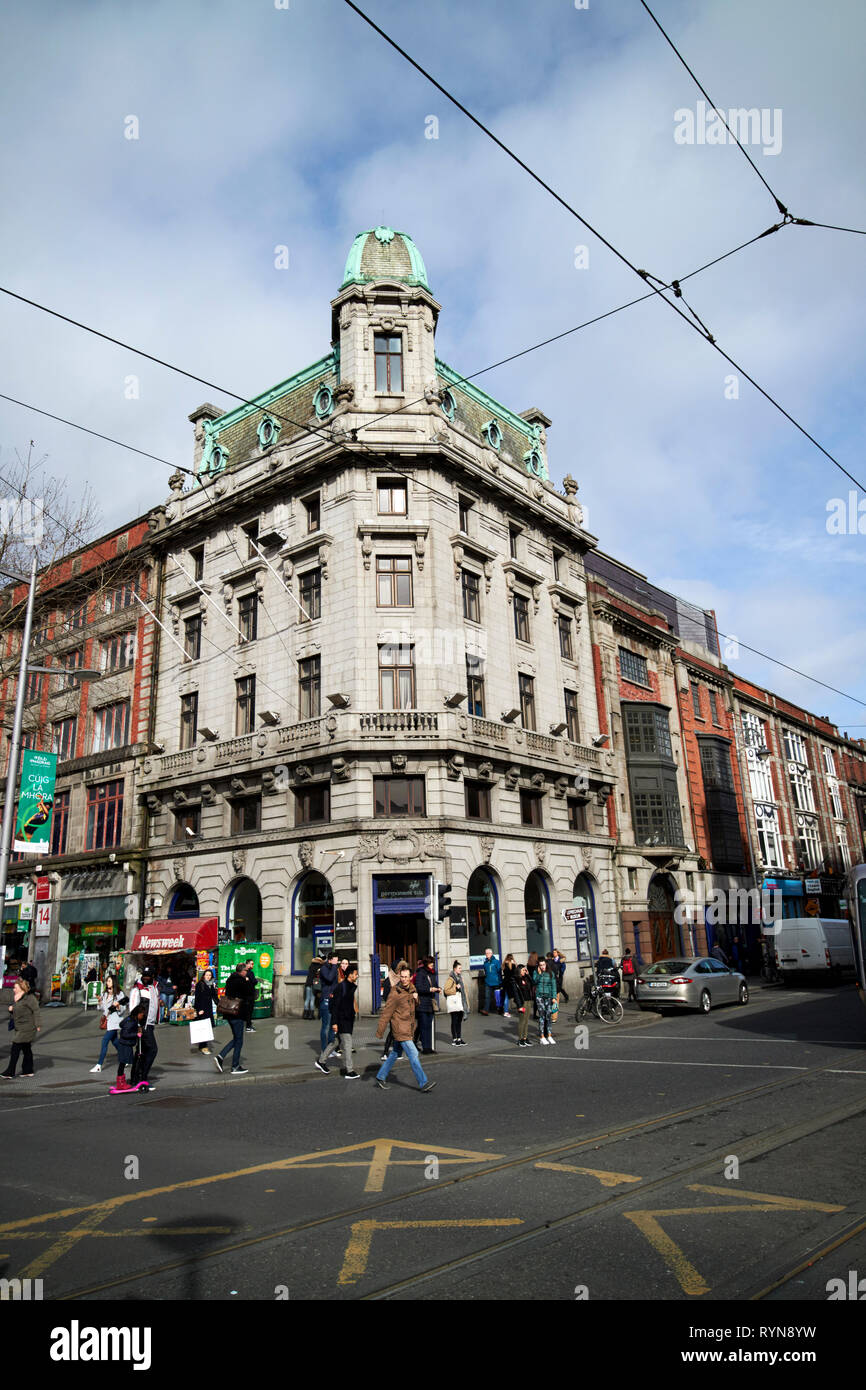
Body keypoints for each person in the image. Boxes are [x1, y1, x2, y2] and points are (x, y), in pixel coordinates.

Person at [375, 965, 436, 1092]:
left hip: (408, 1028)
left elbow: (415, 1004)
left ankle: (381, 1076)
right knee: (413, 1054)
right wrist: (380, 1031)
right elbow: (386, 1012)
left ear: (410, 977)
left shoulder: (412, 988)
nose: (404, 979)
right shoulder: (395, 992)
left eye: (406, 977)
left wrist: (416, 998)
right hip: (400, 1029)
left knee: (395, 1053)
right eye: (402, 977)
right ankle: (423, 1083)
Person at [316, 963, 360, 1078]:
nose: (357, 976)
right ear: (350, 975)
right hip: (341, 1020)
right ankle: (349, 1071)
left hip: (348, 1020)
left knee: (334, 1042)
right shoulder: (341, 987)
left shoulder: (350, 986)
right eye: (355, 974)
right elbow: (335, 1006)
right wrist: (334, 1022)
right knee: (348, 1045)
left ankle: (321, 1061)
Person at [214, 962, 253, 1075]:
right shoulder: (241, 981)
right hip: (237, 1013)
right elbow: (250, 993)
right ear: (242, 971)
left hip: (229, 1013)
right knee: (239, 1040)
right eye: (246, 970)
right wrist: (248, 981)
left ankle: (221, 1057)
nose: (247, 972)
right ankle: (235, 1066)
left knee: (236, 1038)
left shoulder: (230, 979)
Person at [2, 979, 41, 1078]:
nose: (14, 989)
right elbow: (19, 1010)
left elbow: (36, 1011)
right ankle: (28, 1070)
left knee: (15, 1047)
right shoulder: (17, 998)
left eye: (15, 988)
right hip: (19, 1026)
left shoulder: (29, 998)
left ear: (21, 988)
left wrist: (38, 1024)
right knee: (26, 1048)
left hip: (28, 1027)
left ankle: (10, 1072)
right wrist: (11, 1009)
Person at [129, 968, 160, 1086]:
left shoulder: (154, 987)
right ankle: (142, 1077)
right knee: (152, 1049)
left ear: (152, 976)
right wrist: (136, 1025)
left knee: (141, 1051)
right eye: (144, 975)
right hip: (142, 1025)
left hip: (150, 1024)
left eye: (148, 975)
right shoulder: (137, 989)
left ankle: (136, 1077)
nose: (146, 978)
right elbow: (133, 1008)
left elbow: (153, 1003)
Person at [90, 974, 126, 1072]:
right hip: (108, 1021)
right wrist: (100, 1001)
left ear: (114, 982)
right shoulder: (105, 994)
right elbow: (102, 1009)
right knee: (115, 1042)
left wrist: (118, 1006)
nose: (107, 983)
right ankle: (125, 1058)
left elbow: (123, 1010)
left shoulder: (119, 994)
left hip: (114, 1022)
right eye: (107, 981)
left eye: (109, 981)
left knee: (105, 1041)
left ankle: (99, 1065)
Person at [113, 1002, 149, 1091]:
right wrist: (136, 1034)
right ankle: (120, 1083)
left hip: (125, 1044)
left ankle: (121, 1082)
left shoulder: (130, 1019)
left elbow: (121, 1024)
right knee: (122, 1063)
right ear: (138, 1014)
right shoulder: (131, 1021)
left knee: (123, 1063)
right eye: (142, 1014)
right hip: (125, 1044)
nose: (142, 1016)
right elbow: (125, 1033)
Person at [414, 956, 440, 1053]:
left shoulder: (432, 973)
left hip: (430, 1003)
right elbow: (418, 987)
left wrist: (438, 989)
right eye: (431, 963)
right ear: (426, 963)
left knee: (428, 1026)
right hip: (422, 1003)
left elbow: (435, 984)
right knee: (424, 1026)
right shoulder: (421, 973)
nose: (433, 965)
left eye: (433, 963)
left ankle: (428, 1047)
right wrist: (429, 989)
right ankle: (425, 1048)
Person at [318, 951, 340, 1056]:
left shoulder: (333, 968)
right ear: (330, 960)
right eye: (335, 960)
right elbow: (329, 979)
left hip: (333, 1000)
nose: (337, 962)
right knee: (326, 1026)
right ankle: (324, 1050)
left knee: (333, 1025)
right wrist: (335, 966)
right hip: (326, 1000)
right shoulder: (324, 969)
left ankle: (331, 1049)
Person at [532, 957, 558, 1045]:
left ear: (546, 964)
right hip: (539, 997)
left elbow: (554, 985)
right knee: (541, 1016)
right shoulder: (536, 972)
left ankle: (549, 1035)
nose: (542, 967)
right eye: (540, 965)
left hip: (548, 997)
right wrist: (539, 974)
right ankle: (542, 1037)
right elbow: (534, 982)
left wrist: (554, 997)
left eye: (543, 965)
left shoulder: (551, 973)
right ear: (538, 966)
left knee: (548, 1016)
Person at [443, 961, 468, 1046]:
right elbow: (446, 990)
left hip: (460, 1001)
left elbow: (464, 990)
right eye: (459, 968)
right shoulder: (451, 978)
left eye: (461, 968)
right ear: (455, 969)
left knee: (459, 1021)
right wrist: (455, 988)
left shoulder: (460, 977)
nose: (461, 970)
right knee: (454, 1020)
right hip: (454, 1002)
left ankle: (459, 1038)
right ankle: (454, 1039)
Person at [194, 968, 218, 1054]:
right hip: (202, 1008)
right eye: (207, 975)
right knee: (203, 1027)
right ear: (204, 975)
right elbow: (197, 998)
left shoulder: (211, 984)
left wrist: (219, 1004)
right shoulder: (200, 984)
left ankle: (204, 1045)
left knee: (207, 1027)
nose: (208, 977)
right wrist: (199, 1009)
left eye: (210, 975)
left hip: (209, 1008)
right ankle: (203, 1047)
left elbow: (214, 996)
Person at [511, 964, 533, 1047]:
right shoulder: (515, 979)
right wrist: (519, 1005)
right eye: (523, 970)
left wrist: (528, 975)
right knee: (522, 1021)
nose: (525, 971)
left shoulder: (526, 977)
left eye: (525, 970)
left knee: (526, 1021)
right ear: (519, 970)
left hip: (528, 1001)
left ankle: (525, 1038)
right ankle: (520, 1039)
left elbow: (533, 983)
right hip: (522, 1002)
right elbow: (516, 993)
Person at [480, 947, 503, 1015]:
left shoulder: (496, 962)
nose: (487, 954)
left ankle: (500, 1009)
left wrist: (500, 981)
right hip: (488, 982)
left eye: (488, 953)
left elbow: (499, 971)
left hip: (496, 982)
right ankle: (486, 1010)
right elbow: (486, 971)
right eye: (486, 953)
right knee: (487, 997)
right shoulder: (485, 962)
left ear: (491, 953)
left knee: (498, 997)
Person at [501, 954, 517, 1018]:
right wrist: (515, 964)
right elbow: (515, 973)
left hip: (505, 982)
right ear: (512, 958)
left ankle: (505, 1011)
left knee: (506, 997)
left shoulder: (504, 964)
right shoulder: (512, 965)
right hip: (511, 982)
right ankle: (506, 1012)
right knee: (517, 995)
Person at [244, 960, 257, 1033]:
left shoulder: (248, 973)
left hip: (248, 994)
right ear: (247, 964)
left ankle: (248, 1024)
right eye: (251, 964)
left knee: (248, 1010)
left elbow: (254, 981)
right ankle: (248, 1026)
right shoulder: (249, 973)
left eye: (253, 964)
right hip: (248, 995)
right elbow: (255, 981)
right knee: (249, 1010)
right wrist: (251, 981)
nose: (252, 965)